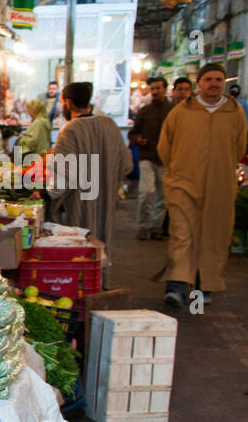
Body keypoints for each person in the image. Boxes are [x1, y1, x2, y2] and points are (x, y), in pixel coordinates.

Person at [156, 63, 248, 307]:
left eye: (219, 79)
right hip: (183, 183)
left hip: (220, 185)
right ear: (200, 83)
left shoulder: (234, 111)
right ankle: (176, 285)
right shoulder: (182, 111)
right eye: (209, 79)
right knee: (182, 233)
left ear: (223, 83)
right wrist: (179, 169)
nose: (214, 84)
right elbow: (165, 146)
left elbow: (240, 146)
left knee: (213, 235)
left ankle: (203, 285)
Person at [47, 82, 132, 252]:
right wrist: (108, 178)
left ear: (68, 103)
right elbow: (127, 164)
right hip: (107, 201)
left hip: (81, 204)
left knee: (81, 250)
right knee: (101, 249)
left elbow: (63, 176)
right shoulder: (110, 125)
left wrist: (47, 192)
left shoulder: (70, 129)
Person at [127, 76, 172, 240]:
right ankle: (143, 227)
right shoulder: (145, 111)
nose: (155, 91)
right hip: (146, 157)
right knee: (146, 192)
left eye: (158, 88)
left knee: (164, 198)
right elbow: (132, 133)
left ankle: (156, 228)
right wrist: (137, 140)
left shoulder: (173, 111)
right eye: (152, 88)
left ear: (165, 90)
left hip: (166, 159)